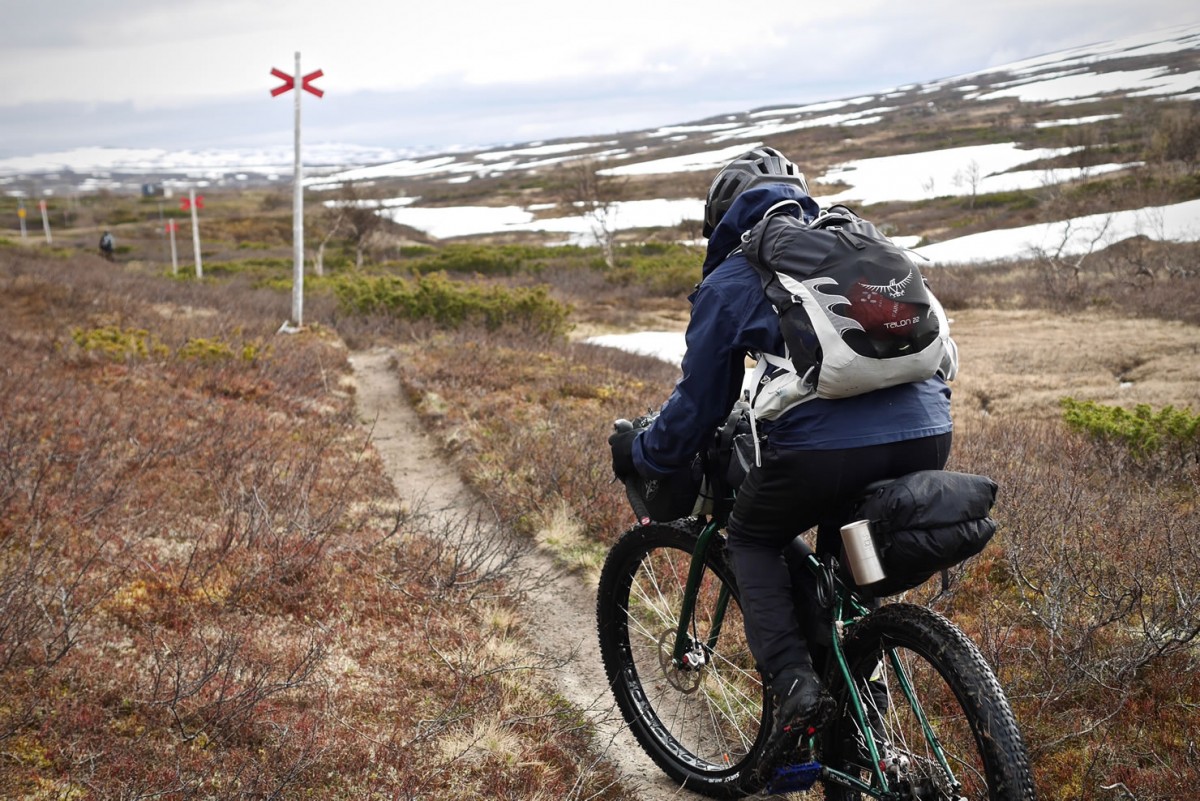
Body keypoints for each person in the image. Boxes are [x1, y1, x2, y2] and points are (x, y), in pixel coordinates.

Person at [609, 147, 953, 746]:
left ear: (720, 217)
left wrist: (644, 454)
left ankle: (797, 689)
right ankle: (862, 690)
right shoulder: (847, 248)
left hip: (824, 448)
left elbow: (699, 405)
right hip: (928, 429)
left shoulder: (735, 274)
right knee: (850, 568)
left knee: (752, 537)